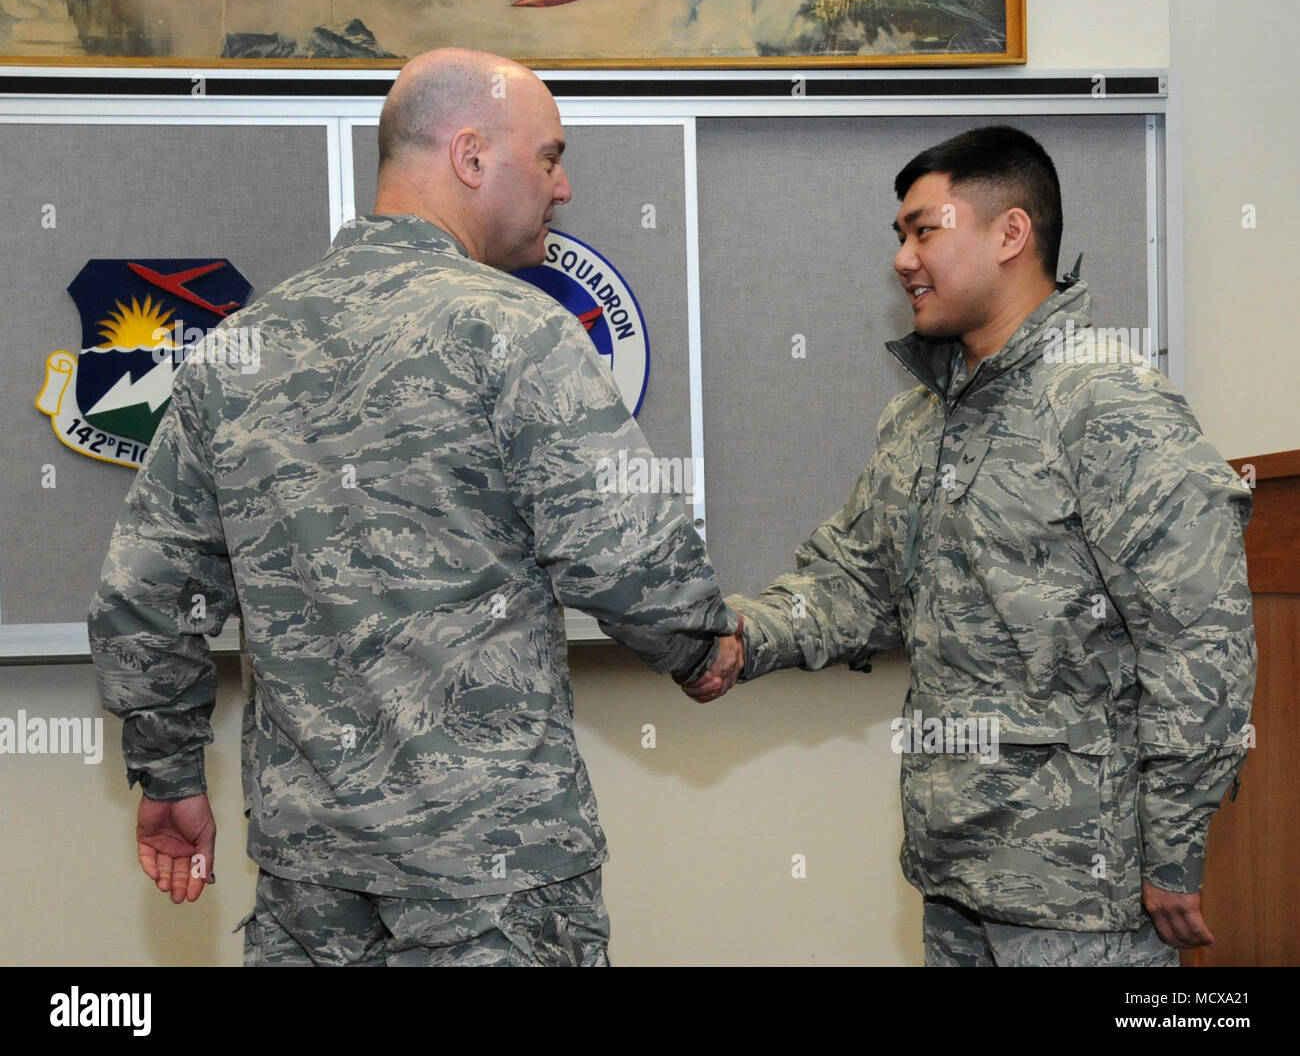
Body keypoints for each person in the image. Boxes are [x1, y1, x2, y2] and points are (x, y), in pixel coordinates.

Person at [88, 47, 742, 967]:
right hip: (493, 875)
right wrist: (703, 646)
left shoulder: (239, 350)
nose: (564, 188)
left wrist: (166, 771)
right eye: (550, 156)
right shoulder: (513, 330)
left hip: (310, 880)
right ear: (471, 157)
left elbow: (146, 598)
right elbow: (630, 559)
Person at [685, 126, 1255, 967]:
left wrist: (1172, 845)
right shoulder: (920, 417)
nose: (903, 259)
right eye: (901, 236)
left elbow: (1201, 638)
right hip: (954, 872)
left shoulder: (1109, 403)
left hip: (1078, 894)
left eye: (925, 230)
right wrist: (738, 638)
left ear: (1010, 234)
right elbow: (855, 579)